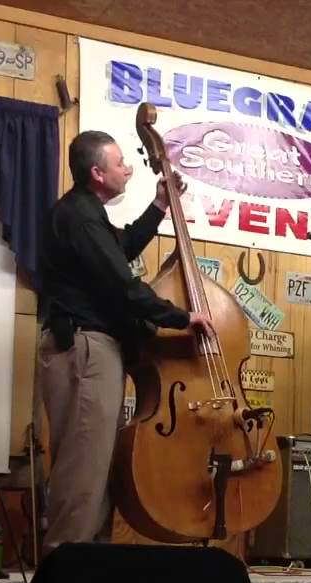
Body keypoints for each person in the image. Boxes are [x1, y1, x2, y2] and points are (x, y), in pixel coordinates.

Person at [34, 130, 214, 560]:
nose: (129, 169)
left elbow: (122, 248)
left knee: (96, 470)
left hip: (93, 348)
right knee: (84, 470)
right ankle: (65, 572)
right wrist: (182, 317)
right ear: (98, 173)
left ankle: (87, 570)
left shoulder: (87, 215)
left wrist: (159, 207)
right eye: (120, 163)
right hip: (85, 347)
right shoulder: (79, 216)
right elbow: (124, 287)